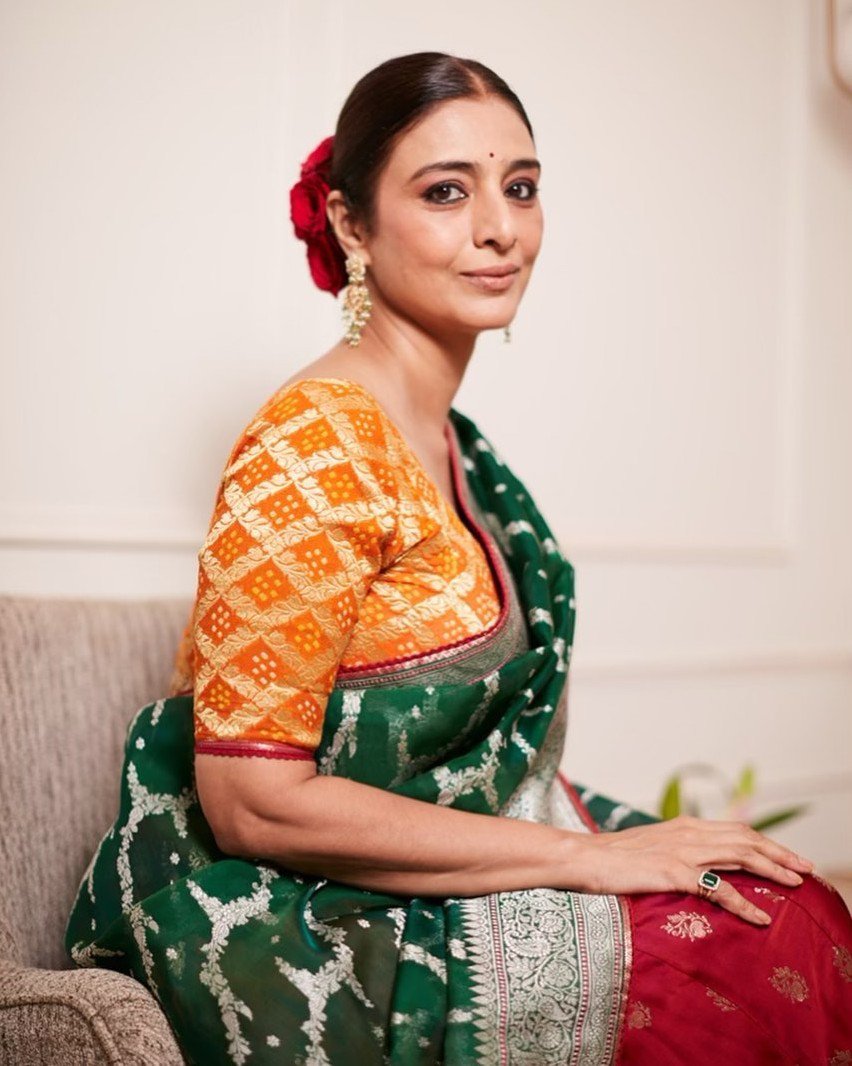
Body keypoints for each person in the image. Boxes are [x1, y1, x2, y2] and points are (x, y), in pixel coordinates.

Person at [65, 51, 852, 1065]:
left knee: (781, 903)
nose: (500, 229)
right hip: (312, 914)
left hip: (444, 849)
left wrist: (600, 852)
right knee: (746, 955)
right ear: (351, 224)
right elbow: (253, 802)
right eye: (446, 192)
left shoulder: (448, 439)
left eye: (520, 187)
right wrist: (587, 861)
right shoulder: (312, 445)